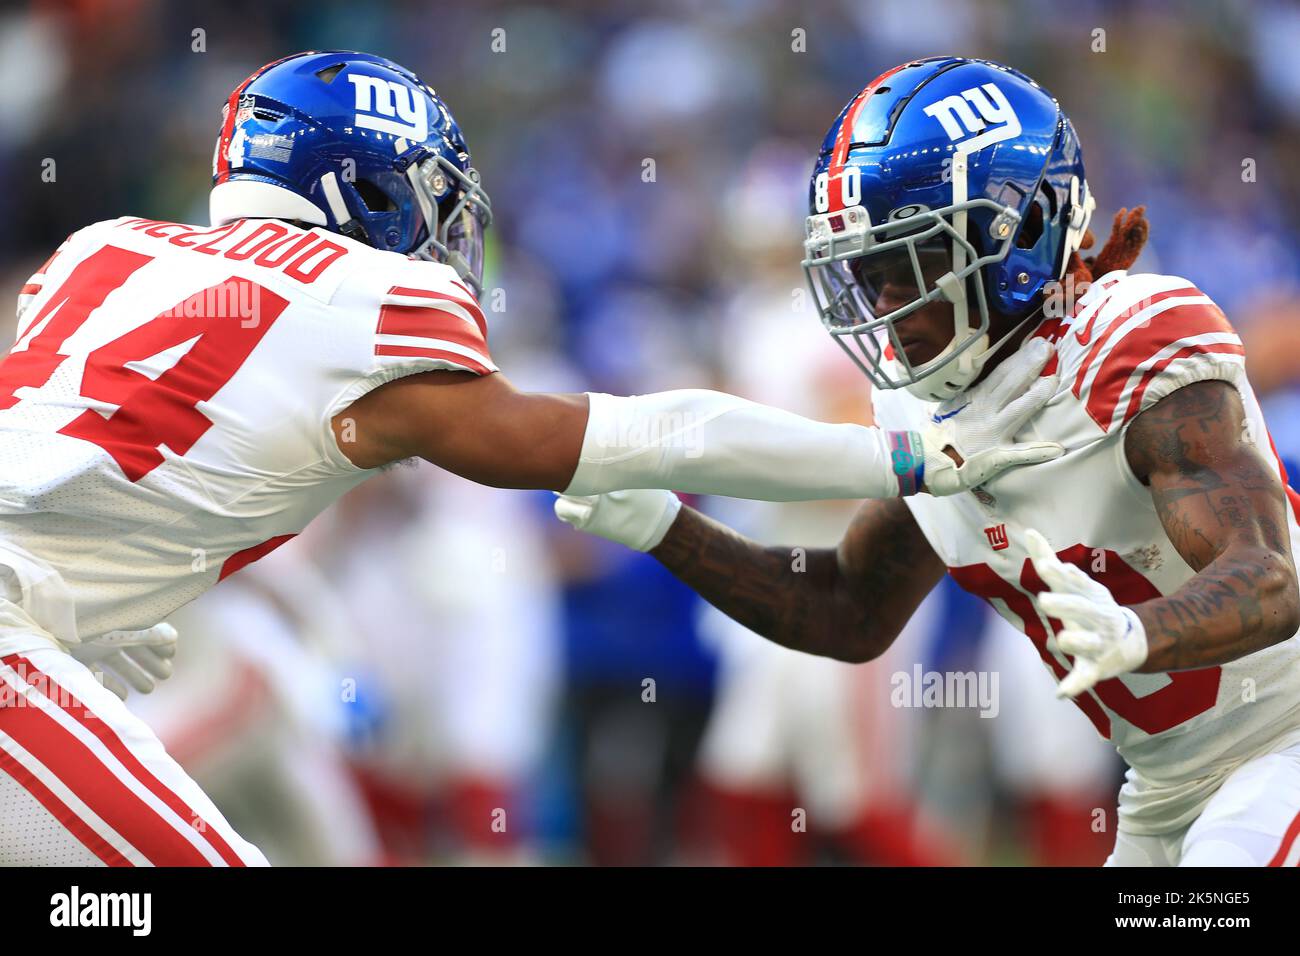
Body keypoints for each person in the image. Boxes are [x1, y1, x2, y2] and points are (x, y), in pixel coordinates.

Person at [0, 50, 1056, 865]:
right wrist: (909, 455)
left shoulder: (104, 250)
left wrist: (87, 591)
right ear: (368, 185)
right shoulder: (359, 296)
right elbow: (642, 434)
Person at [556, 56, 1300, 867]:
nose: (882, 306)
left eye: (909, 262)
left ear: (1017, 236)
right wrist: (667, 529)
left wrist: (1139, 629)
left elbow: (1267, 576)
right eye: (868, 273)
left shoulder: (1128, 341)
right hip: (1164, 789)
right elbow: (846, 608)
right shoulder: (928, 407)